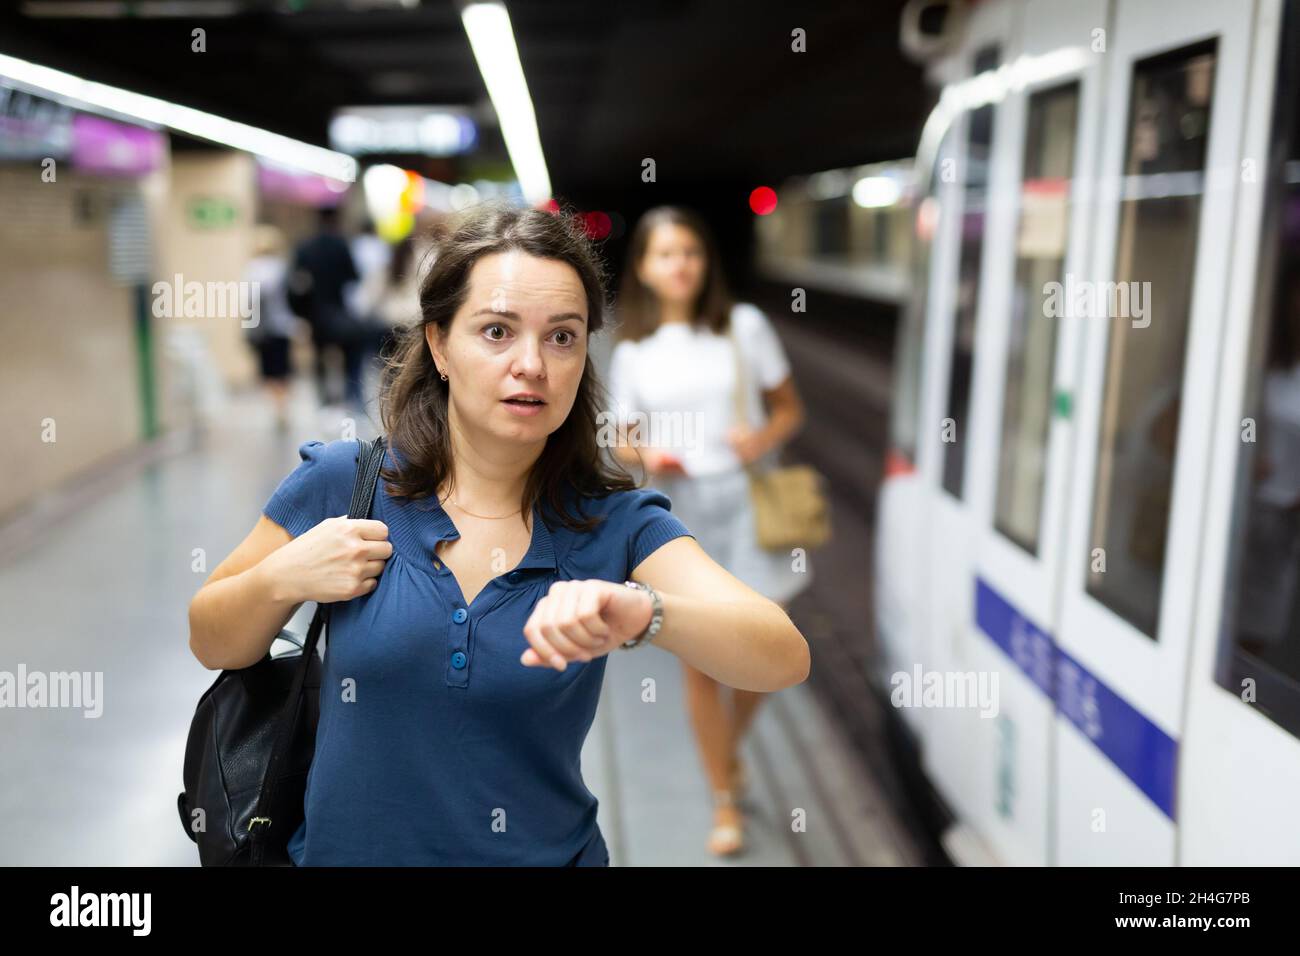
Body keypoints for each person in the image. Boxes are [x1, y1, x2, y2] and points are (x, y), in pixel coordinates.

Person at [187, 200, 810, 867]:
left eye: (562, 337)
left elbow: (781, 655)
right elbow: (211, 637)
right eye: (496, 331)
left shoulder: (612, 522)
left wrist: (644, 612)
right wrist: (284, 577)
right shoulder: (348, 484)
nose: (532, 364)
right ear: (439, 344)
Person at [607, 205, 812, 856]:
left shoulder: (743, 328)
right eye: (665, 255)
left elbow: (788, 409)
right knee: (702, 666)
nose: (680, 266)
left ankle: (727, 752)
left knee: (768, 646)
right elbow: (621, 442)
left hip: (748, 502)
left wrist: (760, 438)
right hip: (680, 516)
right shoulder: (634, 352)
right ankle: (724, 799)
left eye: (690, 253)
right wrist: (649, 458)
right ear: (643, 267)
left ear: (705, 262)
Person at [286, 205, 362, 412]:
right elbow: (354, 277)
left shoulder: (305, 247)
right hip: (339, 309)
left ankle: (324, 399)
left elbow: (296, 282)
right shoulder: (341, 245)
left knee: (319, 356)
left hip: (315, 312)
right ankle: (349, 397)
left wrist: (300, 311)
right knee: (348, 355)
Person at [242, 224, 298, 431]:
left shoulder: (252, 269)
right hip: (284, 326)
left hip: (263, 329)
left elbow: (249, 301)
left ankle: (278, 406)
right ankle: (283, 405)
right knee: (283, 368)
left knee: (269, 371)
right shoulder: (283, 267)